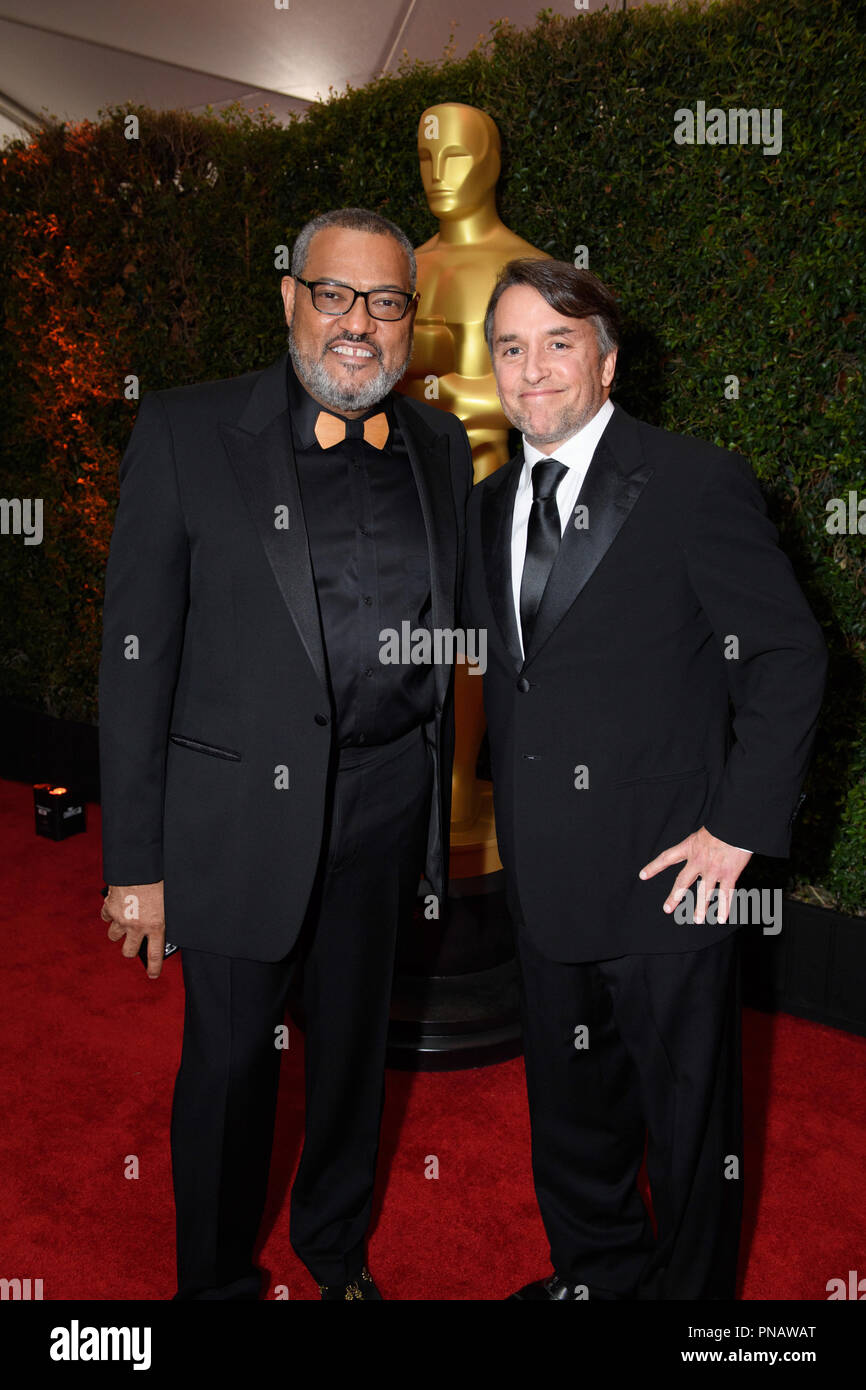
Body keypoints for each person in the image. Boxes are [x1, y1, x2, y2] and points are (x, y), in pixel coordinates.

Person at [99, 207, 473, 1300]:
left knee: (355, 1059)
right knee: (227, 1068)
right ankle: (211, 1283)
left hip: (385, 801)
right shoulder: (181, 433)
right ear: (289, 299)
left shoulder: (440, 448)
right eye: (334, 294)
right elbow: (135, 663)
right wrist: (136, 864)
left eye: (385, 300)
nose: (358, 324)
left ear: (411, 320)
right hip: (233, 818)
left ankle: (334, 1251)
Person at [463, 257, 827, 1300]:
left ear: (607, 363)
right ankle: (593, 1278)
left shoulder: (691, 480)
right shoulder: (490, 504)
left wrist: (735, 829)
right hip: (542, 879)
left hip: (674, 877)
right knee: (571, 1117)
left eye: (556, 344)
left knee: (687, 1132)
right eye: (510, 347)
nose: (530, 371)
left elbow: (789, 656)